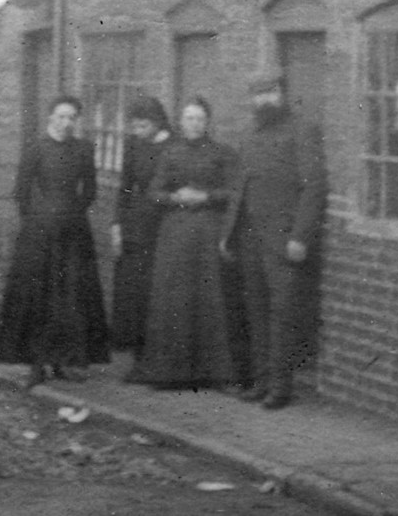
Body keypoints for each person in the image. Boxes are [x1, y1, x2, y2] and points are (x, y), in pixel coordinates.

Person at [220, 69, 327, 410]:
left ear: (282, 93)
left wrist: (301, 236)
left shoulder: (302, 130)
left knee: (282, 312)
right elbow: (240, 187)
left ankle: (281, 387)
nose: (264, 99)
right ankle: (261, 380)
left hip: (283, 240)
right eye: (258, 93)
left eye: (270, 92)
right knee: (256, 310)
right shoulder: (249, 133)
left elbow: (314, 187)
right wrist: (228, 233)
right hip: (250, 236)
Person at [0, 94, 109, 387]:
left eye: (72, 118)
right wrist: (38, 219)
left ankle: (62, 361)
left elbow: (90, 190)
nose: (66, 123)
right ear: (51, 118)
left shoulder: (83, 150)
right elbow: (21, 192)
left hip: (73, 234)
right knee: (38, 297)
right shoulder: (36, 149)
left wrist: (71, 213)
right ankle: (36, 364)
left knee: (69, 298)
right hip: (39, 234)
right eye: (61, 117)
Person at [134, 96, 236, 389]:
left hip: (206, 231)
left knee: (208, 298)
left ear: (207, 123)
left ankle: (213, 373)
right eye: (189, 118)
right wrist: (175, 197)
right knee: (174, 298)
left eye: (200, 119)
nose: (194, 124)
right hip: (175, 232)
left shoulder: (222, 153)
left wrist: (206, 197)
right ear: (181, 121)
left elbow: (233, 192)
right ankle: (170, 372)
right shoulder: (171, 153)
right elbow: (154, 191)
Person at [110, 96, 171, 373]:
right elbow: (124, 187)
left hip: (164, 223)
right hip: (136, 224)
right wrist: (116, 225)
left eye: (143, 125)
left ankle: (156, 355)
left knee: (156, 290)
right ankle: (136, 352)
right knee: (133, 290)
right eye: (134, 126)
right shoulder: (134, 144)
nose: (138, 131)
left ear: (157, 123)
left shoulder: (173, 146)